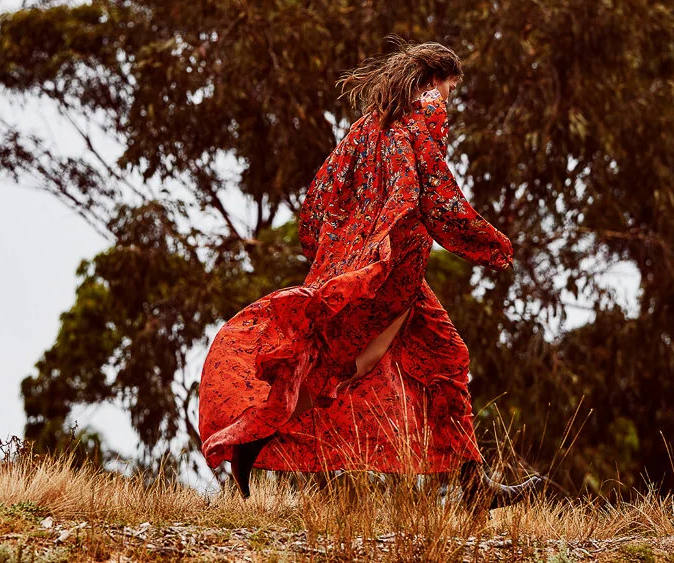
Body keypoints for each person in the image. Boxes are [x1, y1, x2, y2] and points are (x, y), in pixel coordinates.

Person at [197, 36, 545, 513]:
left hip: (381, 266)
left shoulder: (366, 129)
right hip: (392, 271)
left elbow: (320, 195)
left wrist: (339, 250)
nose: (447, 104)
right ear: (427, 84)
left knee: (442, 358)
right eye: (445, 91)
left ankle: (473, 486)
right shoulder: (419, 122)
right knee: (345, 366)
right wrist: (492, 247)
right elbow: (439, 201)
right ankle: (252, 438)